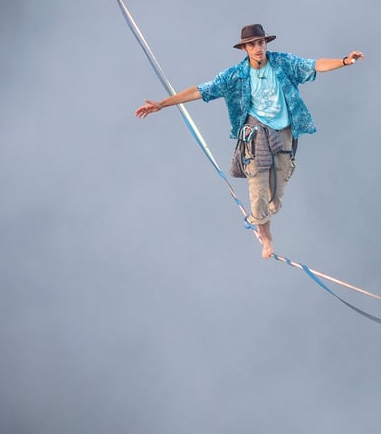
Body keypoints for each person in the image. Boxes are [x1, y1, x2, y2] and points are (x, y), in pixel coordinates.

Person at [135, 23, 363, 258]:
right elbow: (201, 91)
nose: (258, 48)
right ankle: (266, 237)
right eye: (252, 44)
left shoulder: (283, 64)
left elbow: (315, 65)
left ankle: (268, 210)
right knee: (258, 190)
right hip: (254, 136)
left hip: (282, 134)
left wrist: (345, 61)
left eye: (261, 43)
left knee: (275, 196)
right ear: (244, 48)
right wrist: (161, 104)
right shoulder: (235, 76)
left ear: (266, 44)